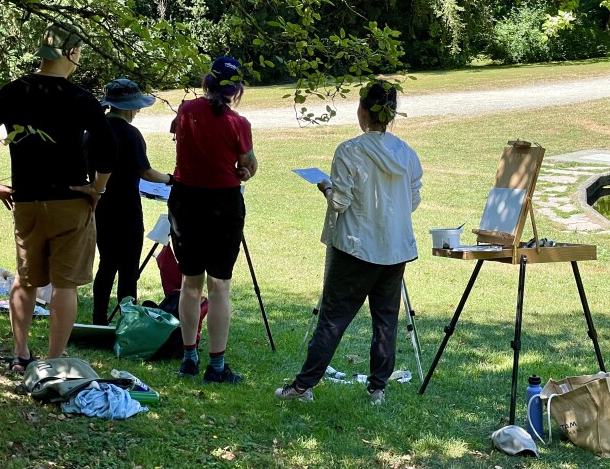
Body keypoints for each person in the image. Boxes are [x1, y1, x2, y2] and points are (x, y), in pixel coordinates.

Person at [0, 23, 116, 372]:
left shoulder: (15, 91)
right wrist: (98, 188)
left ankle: (20, 354)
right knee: (65, 285)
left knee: (25, 279)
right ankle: (54, 361)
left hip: (26, 202)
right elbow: (109, 146)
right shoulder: (80, 98)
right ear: (71, 53)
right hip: (70, 203)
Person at [275, 80, 422, 405]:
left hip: (356, 247)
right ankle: (377, 389)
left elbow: (340, 203)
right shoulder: (406, 153)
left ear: (363, 111)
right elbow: (412, 201)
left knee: (333, 318)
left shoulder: (350, 151)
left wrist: (326, 187)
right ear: (391, 114)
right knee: (385, 320)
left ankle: (303, 386)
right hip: (394, 249)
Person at [168, 56, 257, 384]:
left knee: (189, 282)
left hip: (185, 201)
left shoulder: (185, 111)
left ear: (207, 82)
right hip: (223, 202)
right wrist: (244, 170)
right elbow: (248, 164)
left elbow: (179, 136)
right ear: (237, 90)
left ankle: (189, 358)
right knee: (219, 285)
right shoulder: (238, 123)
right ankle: (216, 367)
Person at [91, 79, 173, 325]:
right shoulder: (130, 134)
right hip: (127, 208)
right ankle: (127, 321)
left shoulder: (93, 131)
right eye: (136, 106)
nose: (138, 110)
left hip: (100, 206)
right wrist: (170, 179)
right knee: (128, 268)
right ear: (129, 107)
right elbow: (145, 172)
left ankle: (98, 319)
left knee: (107, 263)